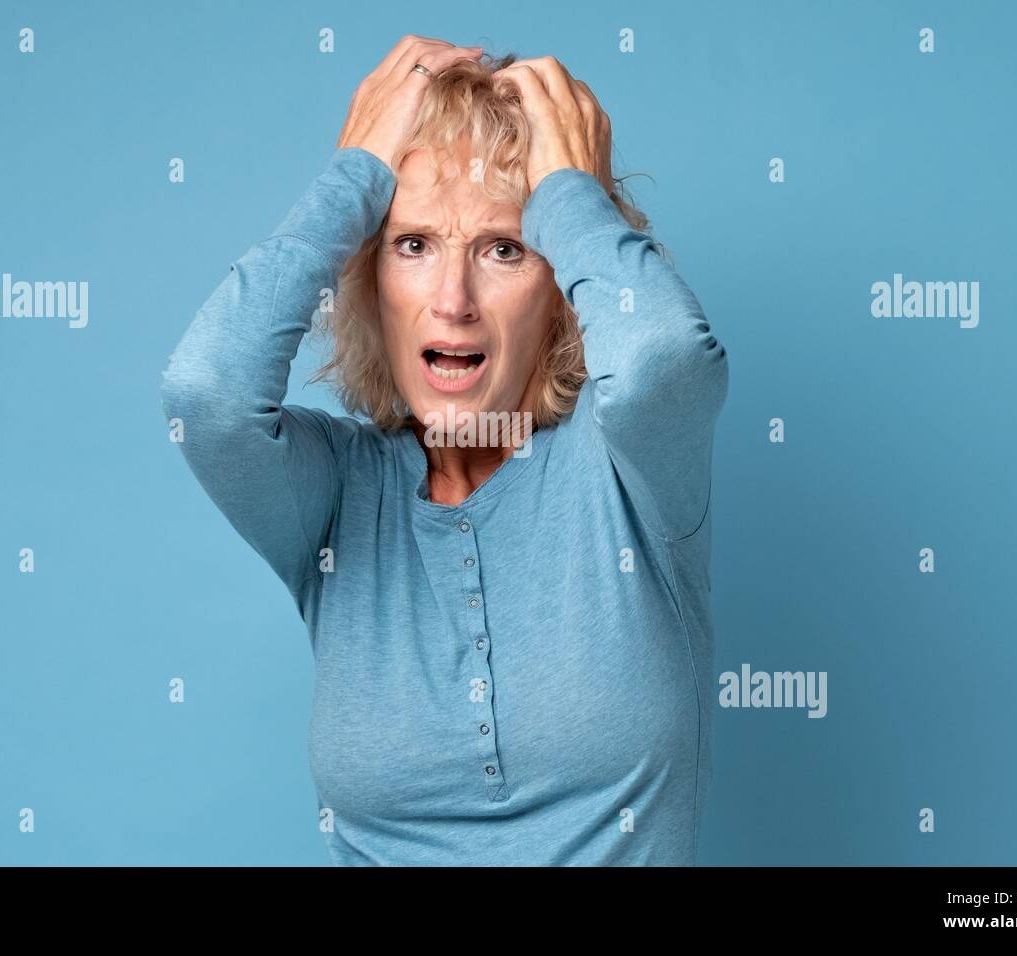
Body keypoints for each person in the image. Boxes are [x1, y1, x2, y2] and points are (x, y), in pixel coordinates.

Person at [160, 35, 729, 865]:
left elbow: (661, 359)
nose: (452, 301)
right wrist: (351, 177)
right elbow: (206, 395)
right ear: (368, 276)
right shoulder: (334, 493)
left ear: (563, 291)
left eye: (504, 249)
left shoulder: (630, 464)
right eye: (413, 245)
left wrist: (571, 193)